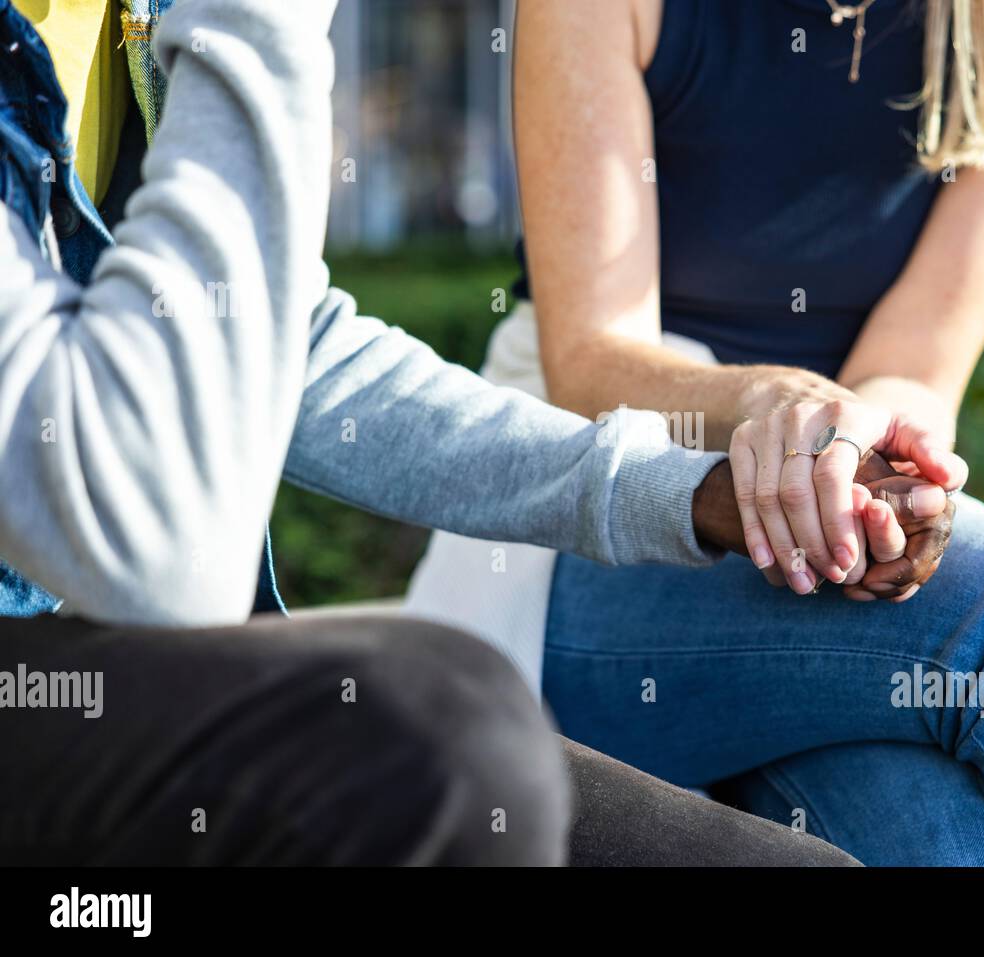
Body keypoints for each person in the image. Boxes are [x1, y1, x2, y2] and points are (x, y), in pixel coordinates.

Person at [0, 0, 862, 866]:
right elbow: (153, 561)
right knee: (453, 740)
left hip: (123, 670)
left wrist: (693, 490)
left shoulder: (132, 19)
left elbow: (286, 352)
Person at [408, 0, 984, 865]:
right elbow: (592, 361)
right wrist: (789, 412)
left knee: (935, 829)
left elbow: (918, 362)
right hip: (595, 511)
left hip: (824, 545)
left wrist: (885, 482)